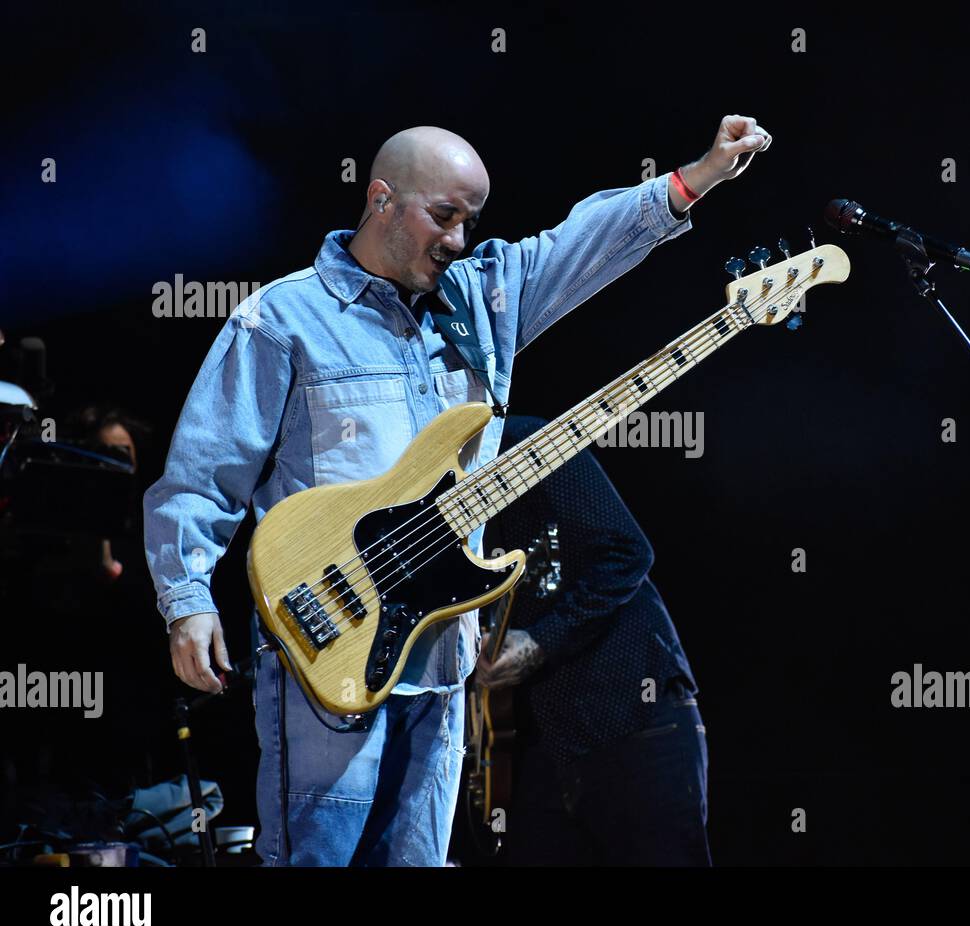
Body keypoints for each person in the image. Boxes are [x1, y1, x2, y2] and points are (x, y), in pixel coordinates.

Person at [142, 117, 770, 866]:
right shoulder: (282, 318)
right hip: (323, 638)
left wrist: (692, 179)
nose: (460, 240)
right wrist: (187, 601)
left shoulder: (482, 300)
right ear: (381, 200)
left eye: (471, 220)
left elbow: (579, 245)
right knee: (319, 857)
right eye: (443, 216)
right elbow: (205, 469)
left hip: (439, 653)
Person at [473, 415, 709, 865]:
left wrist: (541, 641)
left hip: (632, 717)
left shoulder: (527, 441)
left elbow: (628, 552)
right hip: (540, 743)